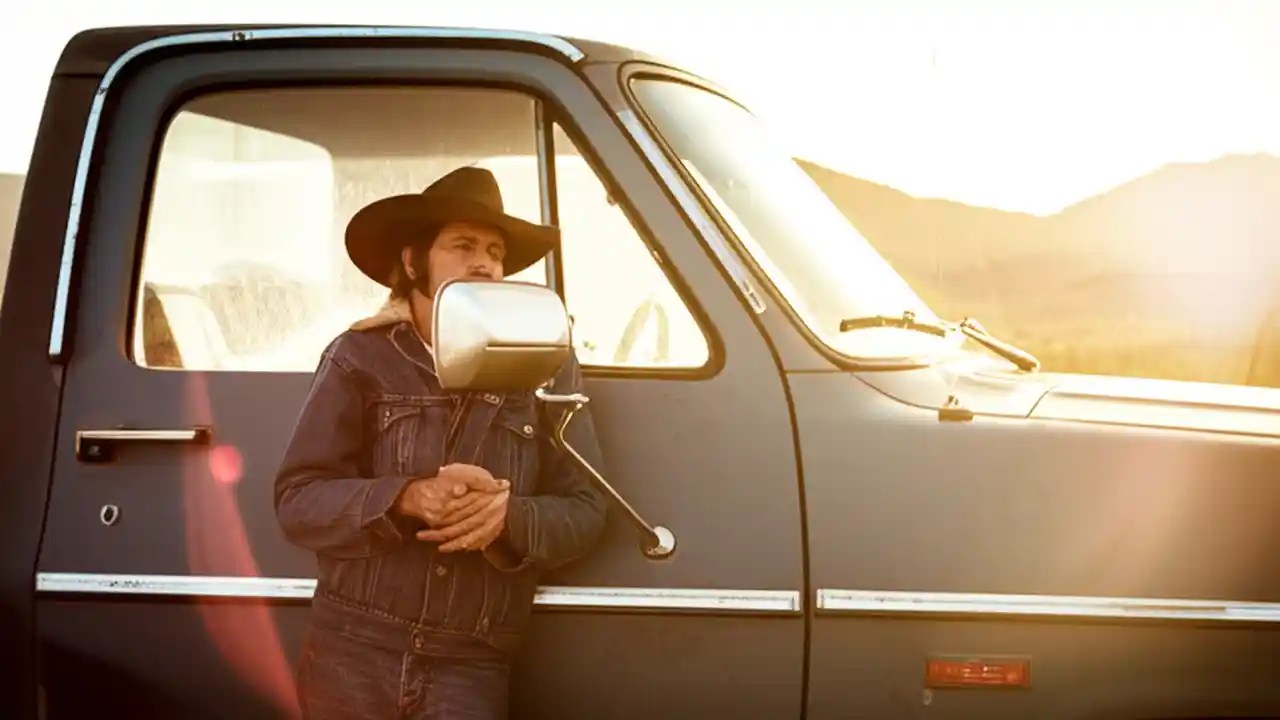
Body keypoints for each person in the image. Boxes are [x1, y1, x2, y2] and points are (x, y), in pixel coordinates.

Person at [274, 166, 609, 719]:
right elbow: (298, 503)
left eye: (495, 251)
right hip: (352, 654)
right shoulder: (358, 357)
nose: (485, 262)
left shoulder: (548, 365)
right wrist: (406, 498)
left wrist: (509, 518)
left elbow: (587, 510)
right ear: (413, 263)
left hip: (469, 663)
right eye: (463, 245)